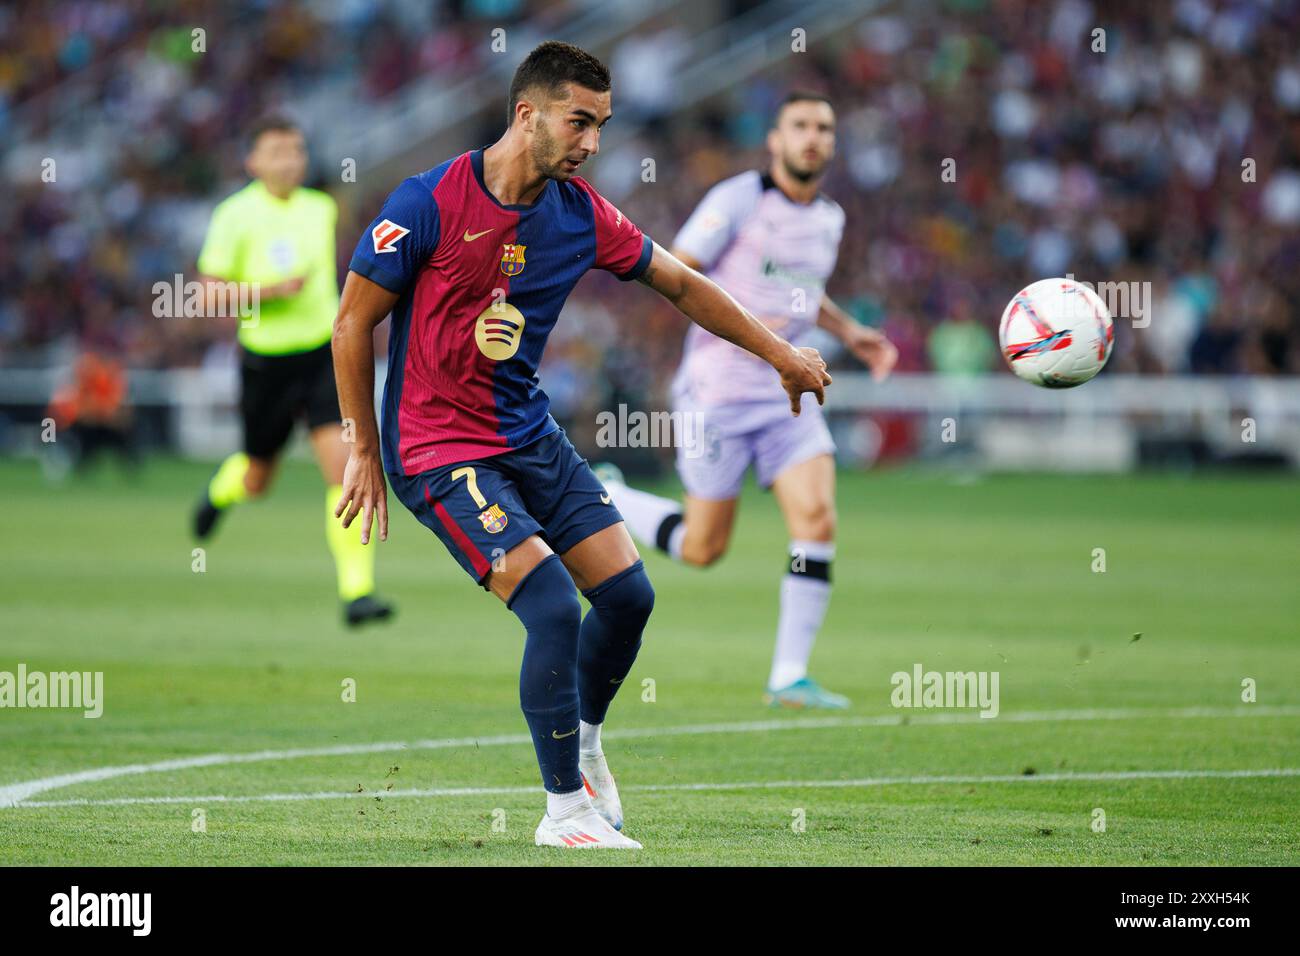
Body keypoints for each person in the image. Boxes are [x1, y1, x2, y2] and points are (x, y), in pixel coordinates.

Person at [333, 42, 832, 849]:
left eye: (601, 125)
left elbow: (681, 283)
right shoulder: (427, 201)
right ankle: (563, 811)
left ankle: (587, 742)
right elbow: (354, 321)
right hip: (436, 449)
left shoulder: (580, 213)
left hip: (527, 433)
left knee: (631, 599)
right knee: (553, 607)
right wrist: (361, 446)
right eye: (580, 122)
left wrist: (781, 352)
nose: (593, 142)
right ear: (527, 114)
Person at [599, 92, 898, 710]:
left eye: (824, 127)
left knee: (816, 519)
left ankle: (789, 674)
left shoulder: (830, 219)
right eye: (800, 126)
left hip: (789, 392)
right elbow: (678, 268)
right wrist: (750, 322)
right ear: (775, 139)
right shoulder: (738, 199)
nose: (812, 137)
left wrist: (850, 333)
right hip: (719, 391)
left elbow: (802, 293)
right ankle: (611, 496)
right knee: (704, 549)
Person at [190, 116, 393, 628]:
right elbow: (206, 294)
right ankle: (221, 492)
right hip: (265, 363)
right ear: (253, 162)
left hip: (323, 357)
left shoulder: (321, 208)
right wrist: (268, 292)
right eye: (277, 152)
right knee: (258, 477)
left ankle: (357, 592)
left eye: (297, 151)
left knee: (344, 467)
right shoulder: (233, 216)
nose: (289, 161)